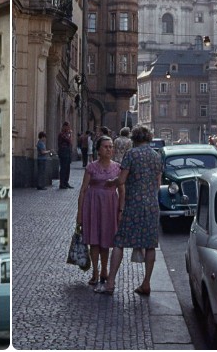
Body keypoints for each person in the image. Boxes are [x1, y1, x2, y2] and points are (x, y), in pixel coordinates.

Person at [102, 125, 163, 296]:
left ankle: (110, 283)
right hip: (151, 205)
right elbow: (158, 184)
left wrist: (111, 183)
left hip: (133, 204)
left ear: (134, 138)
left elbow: (121, 180)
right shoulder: (157, 156)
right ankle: (146, 283)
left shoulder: (131, 154)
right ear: (148, 138)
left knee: (120, 241)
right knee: (150, 245)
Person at [76, 135, 120, 290]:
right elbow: (83, 190)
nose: (109, 149)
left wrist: (121, 210)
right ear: (98, 150)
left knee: (106, 239)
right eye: (105, 147)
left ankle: (104, 270)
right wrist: (79, 213)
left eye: (111, 146)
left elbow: (122, 190)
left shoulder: (117, 167)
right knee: (94, 239)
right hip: (93, 205)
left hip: (110, 206)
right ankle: (95, 270)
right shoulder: (91, 167)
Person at [57, 121, 75, 189]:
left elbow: (70, 142)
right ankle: (62, 183)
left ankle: (66, 182)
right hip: (63, 152)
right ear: (64, 126)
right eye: (68, 126)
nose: (69, 128)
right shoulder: (62, 134)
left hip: (67, 152)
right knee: (63, 168)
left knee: (67, 168)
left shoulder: (66, 134)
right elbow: (69, 141)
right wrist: (70, 134)